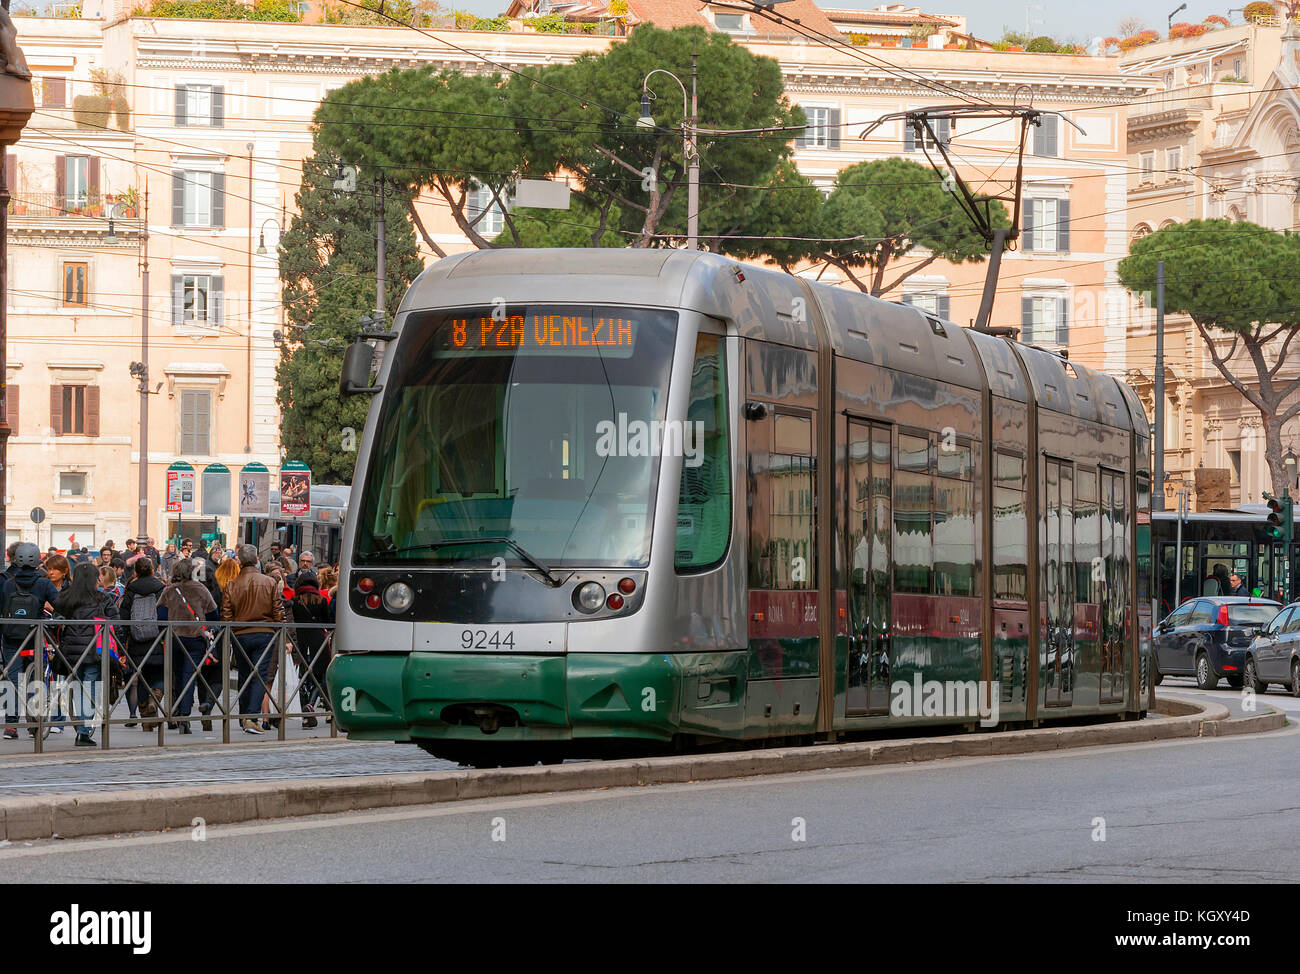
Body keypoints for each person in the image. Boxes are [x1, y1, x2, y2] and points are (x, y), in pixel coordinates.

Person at [52, 562, 120, 747]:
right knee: (90, 689)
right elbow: (116, 621)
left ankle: (80, 728)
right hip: (94, 651)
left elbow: (55, 618)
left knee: (78, 686)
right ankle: (83, 732)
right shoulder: (102, 598)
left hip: (71, 652)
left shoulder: (66, 597)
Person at [222, 544, 284, 735]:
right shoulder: (269, 582)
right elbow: (278, 611)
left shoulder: (232, 584)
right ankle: (251, 716)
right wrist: (276, 628)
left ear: (239, 561)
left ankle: (244, 717)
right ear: (257, 559)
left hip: (240, 634)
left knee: (244, 674)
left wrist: (232, 632)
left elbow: (226, 615)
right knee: (260, 674)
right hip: (264, 632)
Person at [0, 543, 61, 739]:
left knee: (12, 679)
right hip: (34, 636)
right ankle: (35, 724)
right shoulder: (43, 583)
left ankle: (11, 726)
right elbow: (59, 604)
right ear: (37, 561)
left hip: (11, 637)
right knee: (36, 680)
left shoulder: (8, 583)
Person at [159, 559, 217, 735]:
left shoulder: (169, 591)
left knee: (177, 675)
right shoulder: (200, 589)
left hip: (174, 638)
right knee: (189, 676)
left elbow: (160, 618)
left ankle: (176, 712)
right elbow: (214, 614)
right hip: (195, 638)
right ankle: (184, 715)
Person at [119, 557, 167, 731]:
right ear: (153, 570)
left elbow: (123, 618)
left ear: (136, 572)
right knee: (160, 675)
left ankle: (146, 721)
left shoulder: (131, 590)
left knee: (141, 677)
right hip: (158, 639)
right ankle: (155, 697)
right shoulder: (161, 588)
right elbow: (165, 614)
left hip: (136, 640)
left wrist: (121, 645)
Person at [288, 569, 331, 728]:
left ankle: (306, 710)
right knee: (321, 677)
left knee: (303, 677)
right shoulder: (321, 600)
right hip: (318, 643)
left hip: (301, 643)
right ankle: (312, 705)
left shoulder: (295, 601)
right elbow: (327, 622)